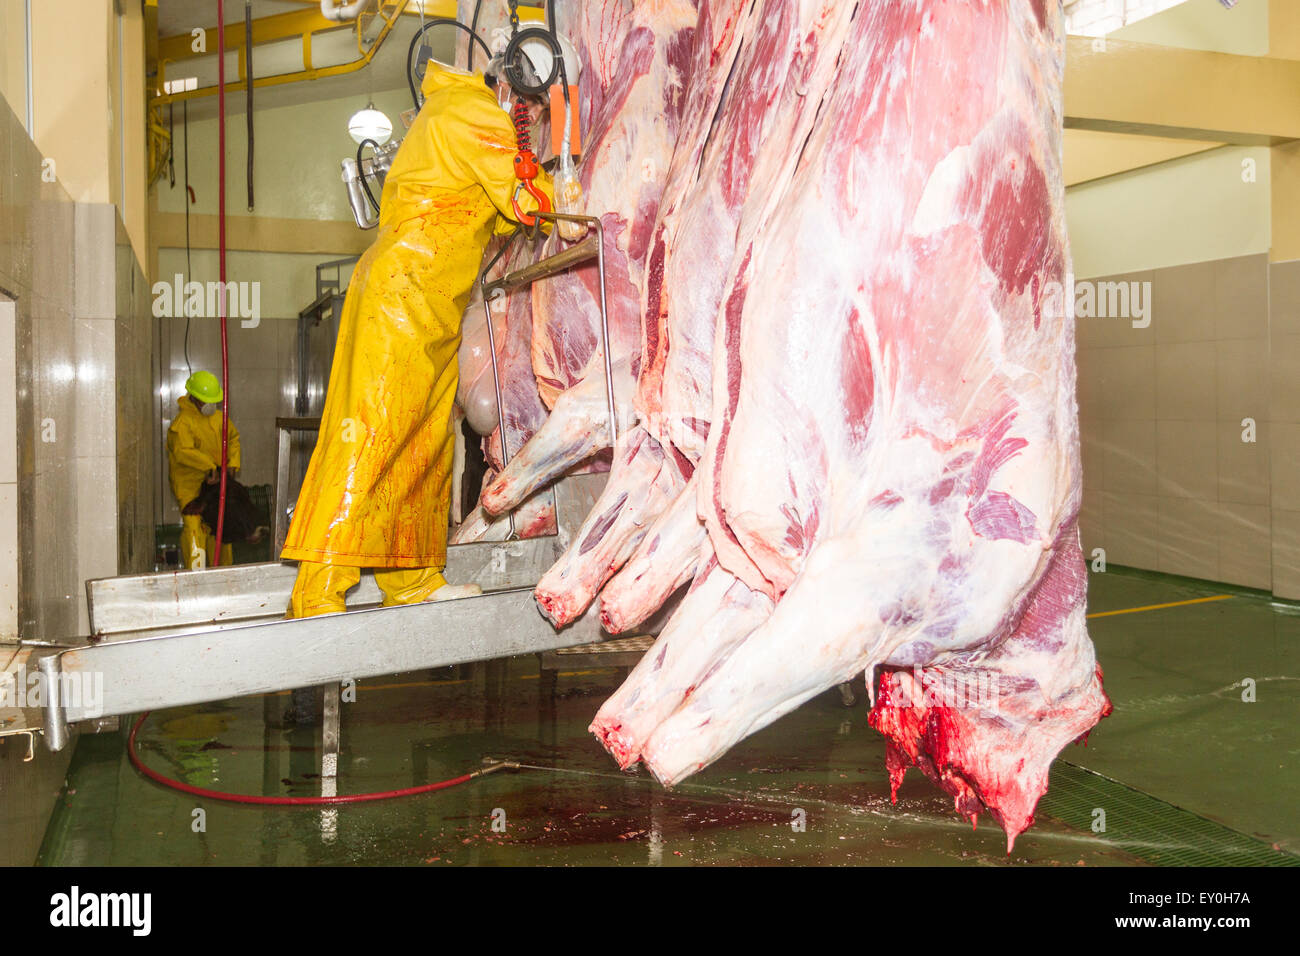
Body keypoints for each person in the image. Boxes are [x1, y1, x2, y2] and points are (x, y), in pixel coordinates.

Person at [280, 61, 554, 617]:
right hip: (407, 290)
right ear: (513, 90)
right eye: (536, 109)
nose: (533, 118)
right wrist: (557, 183)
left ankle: (411, 574)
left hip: (426, 296)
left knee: (425, 442)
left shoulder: (445, 112)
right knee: (375, 433)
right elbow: (533, 204)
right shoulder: (474, 111)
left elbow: (487, 211)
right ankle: (319, 587)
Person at [167, 369, 241, 569]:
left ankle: (225, 580)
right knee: (195, 533)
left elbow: (233, 439)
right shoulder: (182, 424)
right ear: (194, 398)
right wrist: (209, 467)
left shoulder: (219, 419)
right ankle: (196, 583)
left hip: (218, 488)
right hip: (192, 491)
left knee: (220, 534)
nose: (209, 405)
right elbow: (183, 452)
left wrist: (233, 463)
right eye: (205, 400)